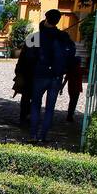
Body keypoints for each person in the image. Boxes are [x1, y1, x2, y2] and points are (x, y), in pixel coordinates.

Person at [30, 9, 76, 143]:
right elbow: (71, 54)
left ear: (46, 19)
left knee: (35, 105)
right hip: (56, 76)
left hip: (40, 74)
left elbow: (29, 56)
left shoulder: (36, 37)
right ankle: (43, 136)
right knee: (50, 108)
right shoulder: (64, 37)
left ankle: (33, 134)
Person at [12, 39, 38, 129]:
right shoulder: (41, 45)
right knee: (35, 98)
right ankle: (29, 116)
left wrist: (18, 72)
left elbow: (21, 60)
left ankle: (23, 118)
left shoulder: (29, 45)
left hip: (26, 75)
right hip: (35, 76)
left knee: (25, 98)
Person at [64, 52, 84, 123]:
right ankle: (70, 116)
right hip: (76, 88)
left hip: (71, 88)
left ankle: (70, 115)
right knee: (73, 102)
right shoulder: (79, 69)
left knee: (71, 101)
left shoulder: (71, 69)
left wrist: (61, 88)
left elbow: (66, 79)